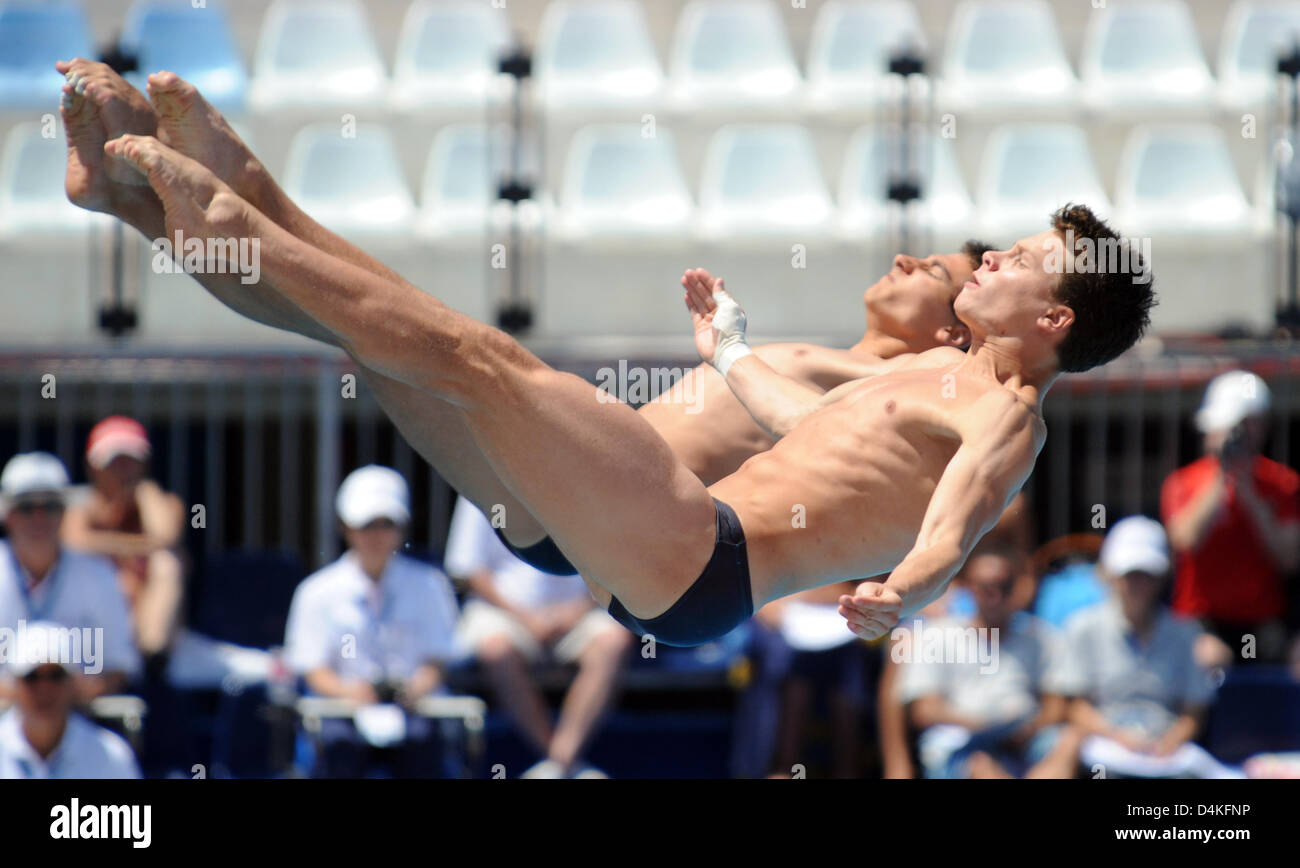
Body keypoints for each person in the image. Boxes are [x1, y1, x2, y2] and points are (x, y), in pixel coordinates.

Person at [64, 62, 1157, 647]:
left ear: (1054, 318)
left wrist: (904, 595)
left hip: (705, 559)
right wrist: (728, 348)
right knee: (395, 348)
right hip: (636, 541)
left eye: (1022, 258)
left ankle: (242, 216)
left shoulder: (1009, 416)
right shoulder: (922, 377)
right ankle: (152, 213)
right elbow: (793, 418)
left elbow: (954, 526)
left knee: (474, 354)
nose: (996, 257)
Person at [283, 466, 460, 778]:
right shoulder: (316, 591)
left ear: (402, 528)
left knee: (423, 746)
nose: (377, 535)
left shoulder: (431, 584)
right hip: (342, 710)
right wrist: (349, 692)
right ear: (345, 527)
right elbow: (313, 669)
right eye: (366, 525)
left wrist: (416, 687)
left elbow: (438, 658)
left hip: (414, 710)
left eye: (386, 524)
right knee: (339, 750)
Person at [444, 496, 631, 779]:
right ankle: (561, 763)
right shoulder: (478, 480)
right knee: (496, 649)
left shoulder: (588, 476)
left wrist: (572, 612)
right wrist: (525, 617)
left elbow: (614, 566)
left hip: (579, 612)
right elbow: (470, 569)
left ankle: (559, 762)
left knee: (614, 642)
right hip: (503, 613)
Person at [1058, 516, 1241, 778]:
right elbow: (1074, 707)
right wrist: (1119, 737)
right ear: (1110, 574)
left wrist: (1171, 741)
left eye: (1147, 575)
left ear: (1162, 577)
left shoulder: (1186, 632)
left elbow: (1194, 710)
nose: (1138, 585)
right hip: (1104, 750)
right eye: (1130, 574)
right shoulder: (1083, 627)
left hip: (1167, 755)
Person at [898, 542, 1080, 778]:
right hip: (962, 740)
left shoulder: (1039, 636)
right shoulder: (937, 635)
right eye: (985, 587)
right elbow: (924, 711)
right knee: (980, 764)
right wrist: (985, 726)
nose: (994, 595)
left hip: (1025, 738)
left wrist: (1028, 729)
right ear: (968, 588)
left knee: (1070, 741)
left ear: (1016, 587)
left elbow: (1057, 704)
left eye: (1003, 586)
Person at [1161, 370, 1299, 664]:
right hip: (1199, 620)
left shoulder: (1282, 483)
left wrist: (1250, 493)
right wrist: (1221, 480)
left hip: (1261, 621)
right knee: (1208, 658)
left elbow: (1288, 559)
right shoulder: (1183, 482)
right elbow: (1184, 540)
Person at [0, 453, 140, 704]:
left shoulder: (99, 575)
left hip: (80, 722)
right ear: (7, 515)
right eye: (26, 507)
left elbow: (121, 667)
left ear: (65, 513)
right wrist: (27, 695)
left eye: (50, 506)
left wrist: (66, 695)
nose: (38, 519)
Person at [61, 415, 187, 668]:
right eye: (114, 462)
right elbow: (73, 543)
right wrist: (137, 545)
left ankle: (153, 657)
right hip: (93, 634)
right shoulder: (80, 507)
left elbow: (166, 536)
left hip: (151, 633)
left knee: (167, 564)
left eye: (131, 461)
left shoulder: (162, 502)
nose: (123, 471)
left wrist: (145, 492)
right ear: (94, 467)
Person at [0, 621, 141, 779]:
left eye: (56, 676)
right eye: (31, 677)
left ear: (74, 684)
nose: (44, 689)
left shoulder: (111, 757)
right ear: (13, 686)